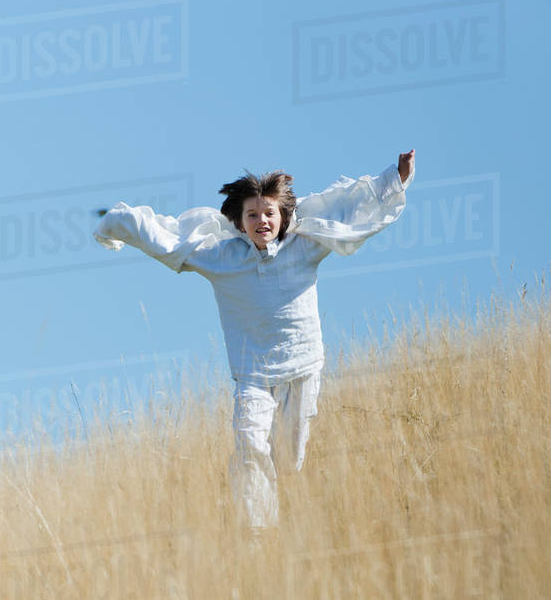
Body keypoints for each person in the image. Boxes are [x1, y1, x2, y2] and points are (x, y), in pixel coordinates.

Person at [93, 149, 416, 532]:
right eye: (252, 215)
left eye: (269, 213)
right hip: (253, 378)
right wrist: (116, 223)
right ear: (239, 222)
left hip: (303, 369)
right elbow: (166, 239)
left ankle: (289, 522)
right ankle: (256, 534)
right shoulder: (222, 257)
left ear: (283, 217)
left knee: (289, 458)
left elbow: (345, 211)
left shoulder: (306, 244)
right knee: (249, 446)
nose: (261, 221)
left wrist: (395, 178)